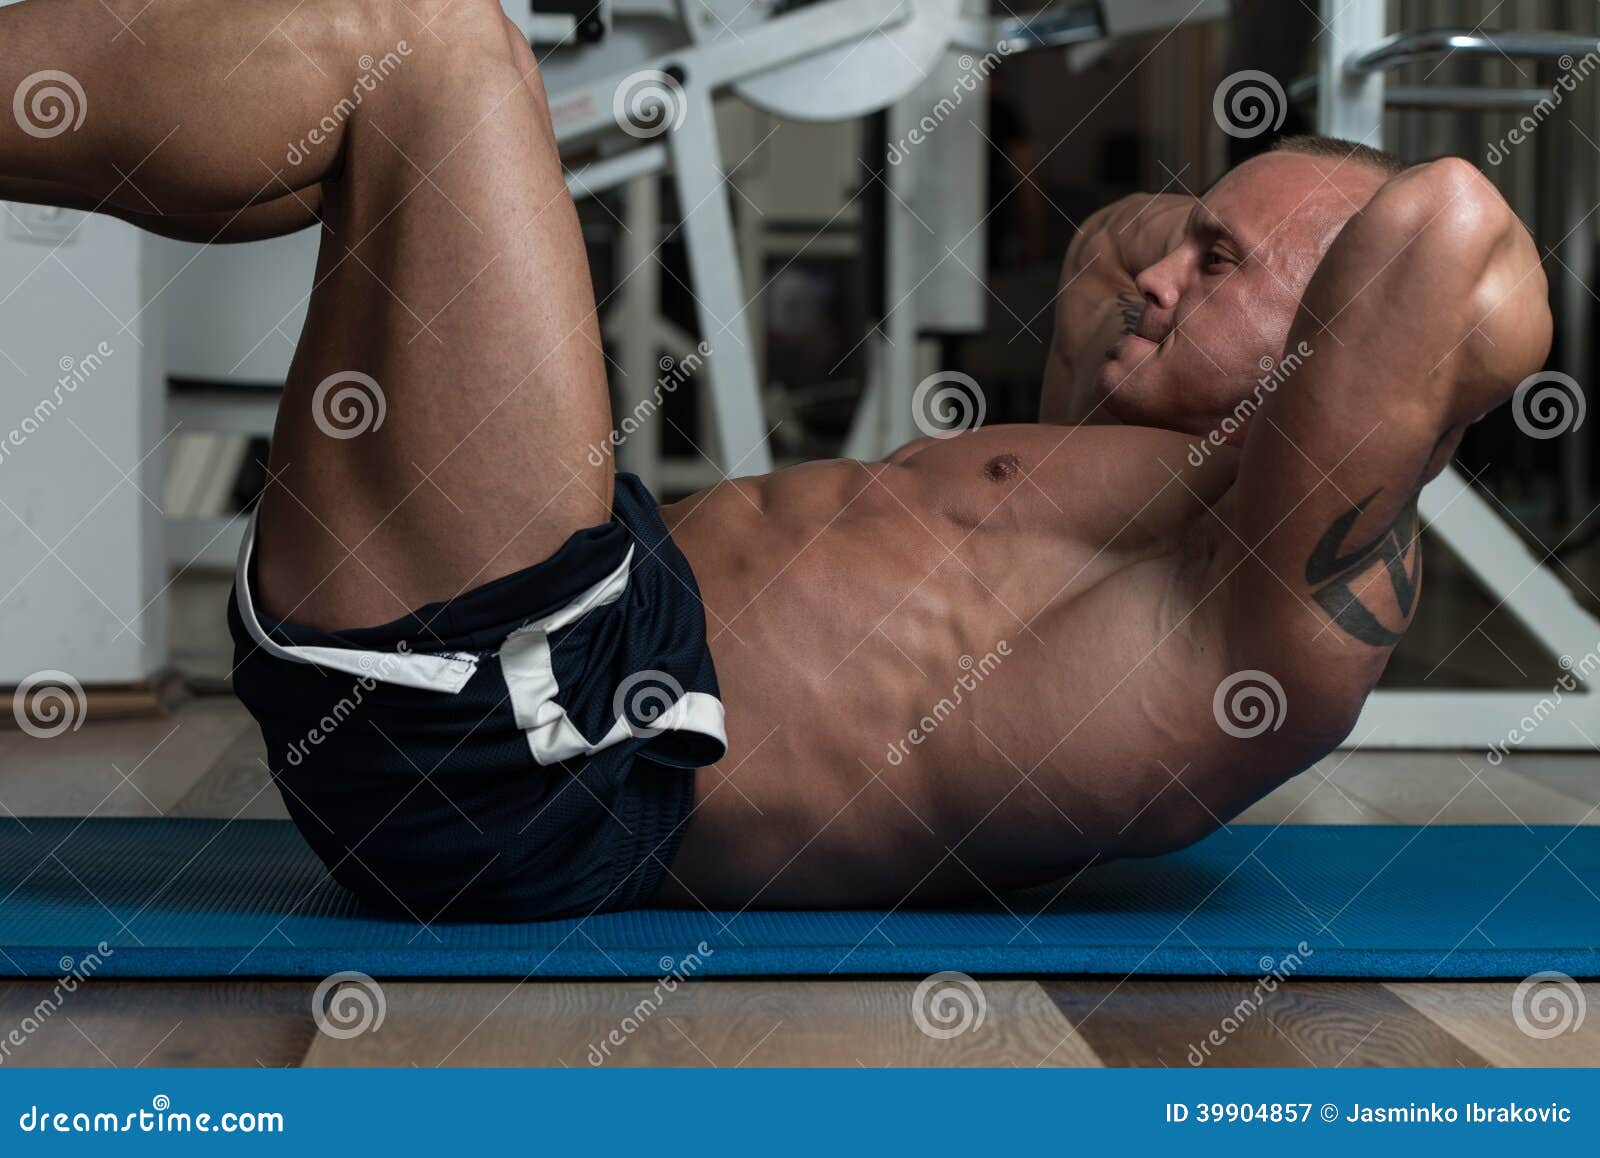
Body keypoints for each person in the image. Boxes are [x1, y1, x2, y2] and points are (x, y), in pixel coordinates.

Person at [0, 0, 1551, 921]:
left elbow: (1453, 232)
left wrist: (1321, 325)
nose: (1159, 271)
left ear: (1336, 342)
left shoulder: (1281, 608)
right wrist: (1243, 243)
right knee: (363, 133)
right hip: (534, 658)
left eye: (1217, 264)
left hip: (547, 744)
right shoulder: (1128, 455)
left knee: (429, 48)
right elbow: (1106, 244)